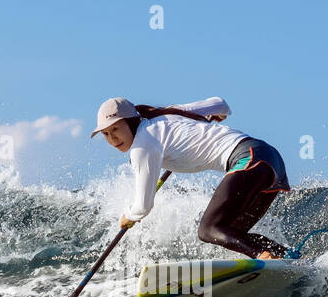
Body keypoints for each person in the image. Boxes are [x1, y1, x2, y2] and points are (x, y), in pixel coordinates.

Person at [91, 96, 291, 259]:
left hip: (250, 160)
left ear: (131, 121)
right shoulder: (169, 114)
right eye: (106, 134)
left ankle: (264, 256)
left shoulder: (143, 145)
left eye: (116, 129)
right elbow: (220, 104)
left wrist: (130, 215)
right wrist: (218, 114)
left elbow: (143, 206)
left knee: (208, 230)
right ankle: (288, 258)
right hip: (269, 158)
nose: (113, 138)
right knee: (231, 232)